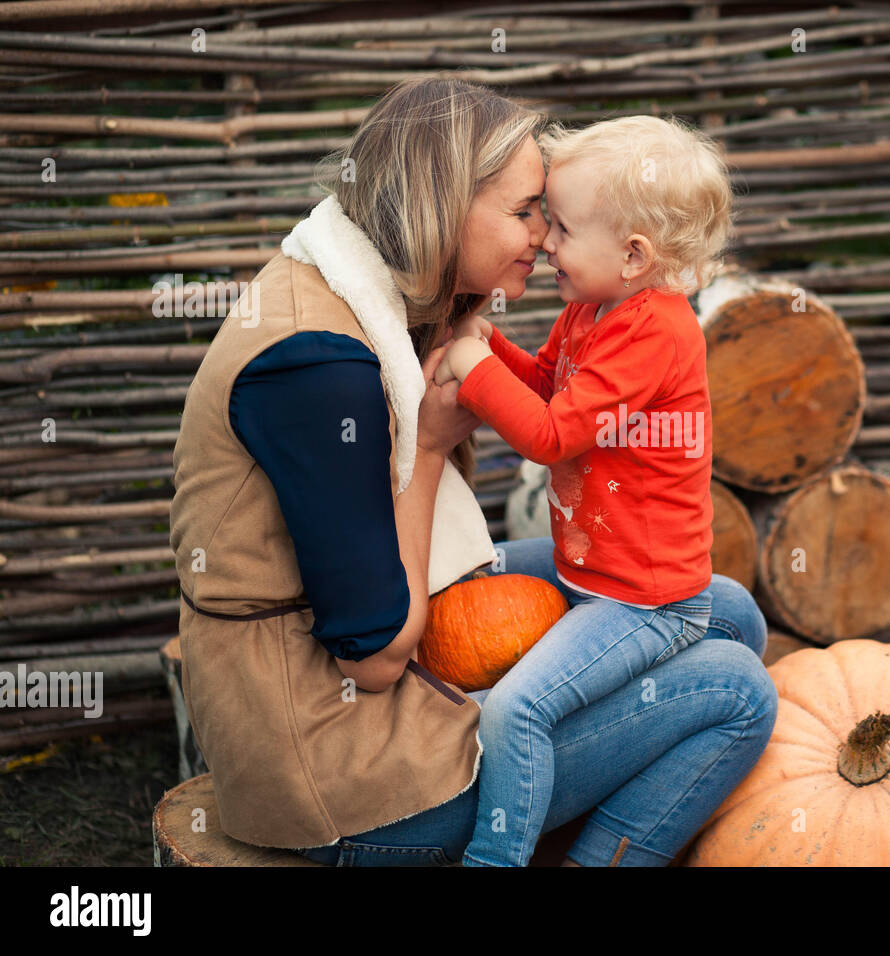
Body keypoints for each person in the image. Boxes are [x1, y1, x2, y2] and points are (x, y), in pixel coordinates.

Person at [167, 76, 777, 867]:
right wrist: (426, 447)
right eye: (527, 213)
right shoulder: (317, 363)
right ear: (444, 203)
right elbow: (375, 653)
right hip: (344, 775)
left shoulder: (360, 295)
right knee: (736, 686)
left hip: (361, 681)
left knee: (721, 604)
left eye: (550, 217)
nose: (542, 236)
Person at [433, 115, 733, 867]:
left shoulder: (657, 333)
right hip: (589, 568)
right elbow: (546, 385)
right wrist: (485, 339)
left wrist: (472, 370)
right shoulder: (591, 312)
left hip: (644, 601)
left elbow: (549, 434)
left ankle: (494, 859)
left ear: (633, 255)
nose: (544, 242)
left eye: (561, 228)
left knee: (517, 711)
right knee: (479, 568)